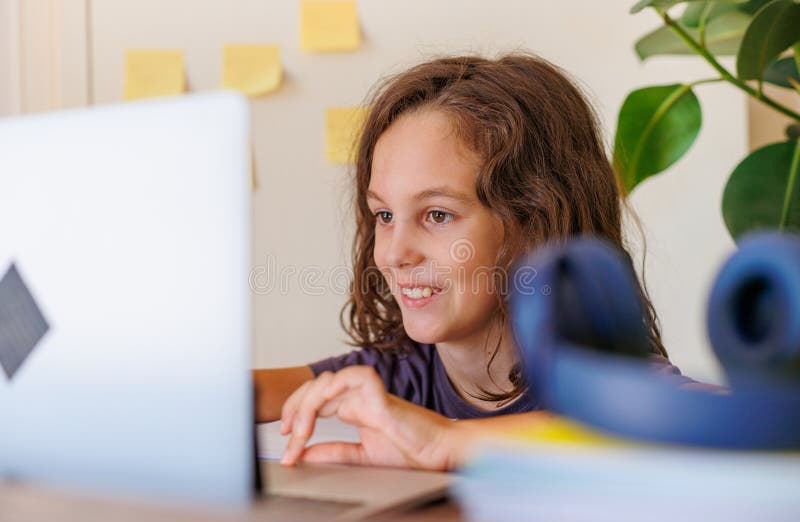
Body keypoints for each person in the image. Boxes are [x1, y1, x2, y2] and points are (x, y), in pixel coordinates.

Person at [252, 53, 684, 470]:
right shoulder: (400, 373)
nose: (395, 254)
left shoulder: (602, 377)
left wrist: (446, 440)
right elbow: (243, 396)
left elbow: (724, 426)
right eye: (384, 215)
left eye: (437, 215)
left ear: (535, 224)